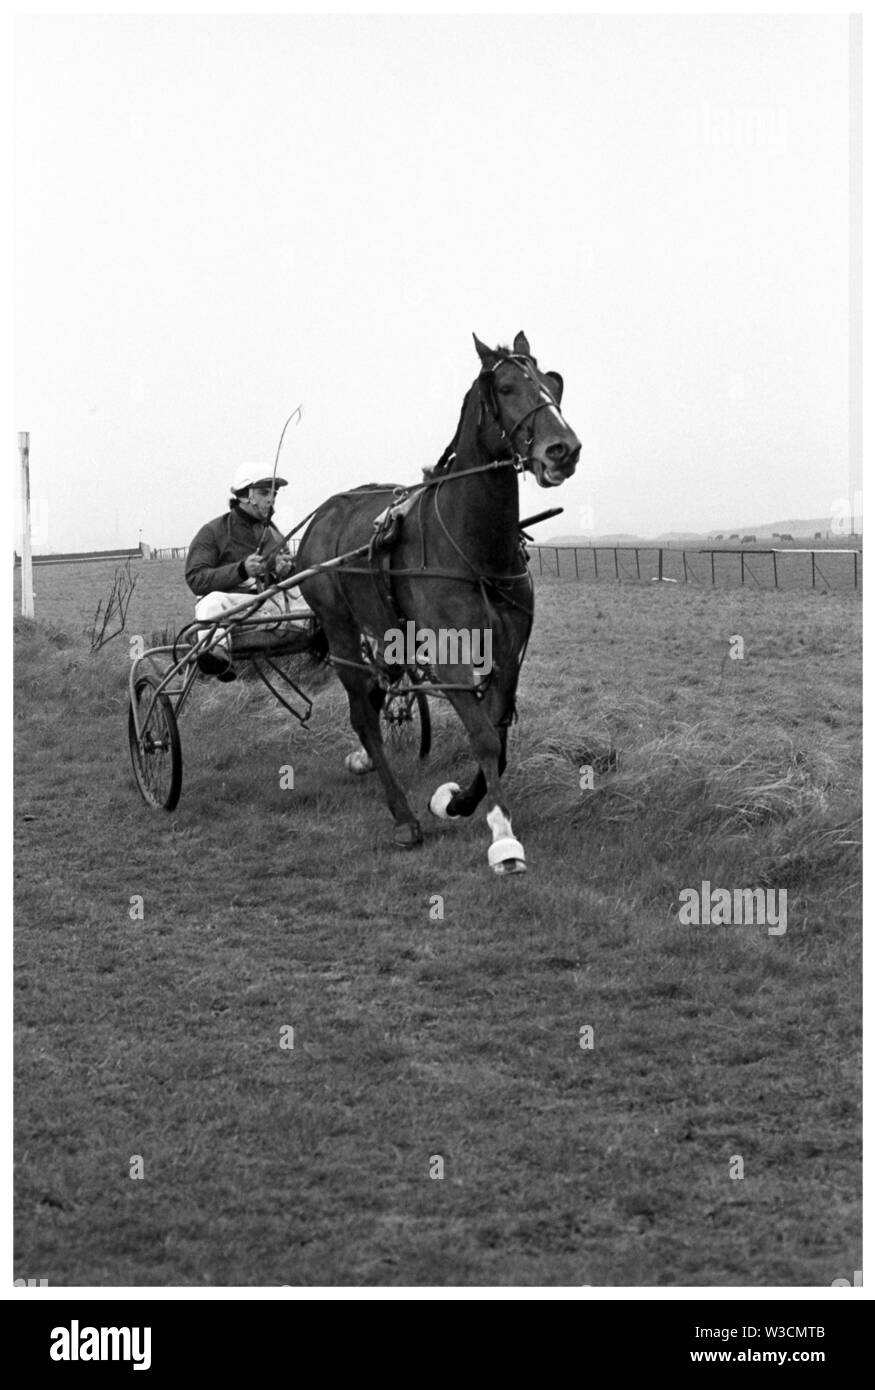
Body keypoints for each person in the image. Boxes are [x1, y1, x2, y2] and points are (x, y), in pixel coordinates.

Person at [185, 463, 301, 680]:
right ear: (246, 496)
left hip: (267, 607)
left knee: (309, 593)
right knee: (211, 603)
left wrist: (285, 572)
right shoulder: (212, 531)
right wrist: (241, 570)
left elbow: (286, 581)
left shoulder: (274, 534)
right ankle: (217, 656)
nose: (271, 499)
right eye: (264, 493)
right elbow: (195, 579)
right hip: (232, 610)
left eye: (274, 494)